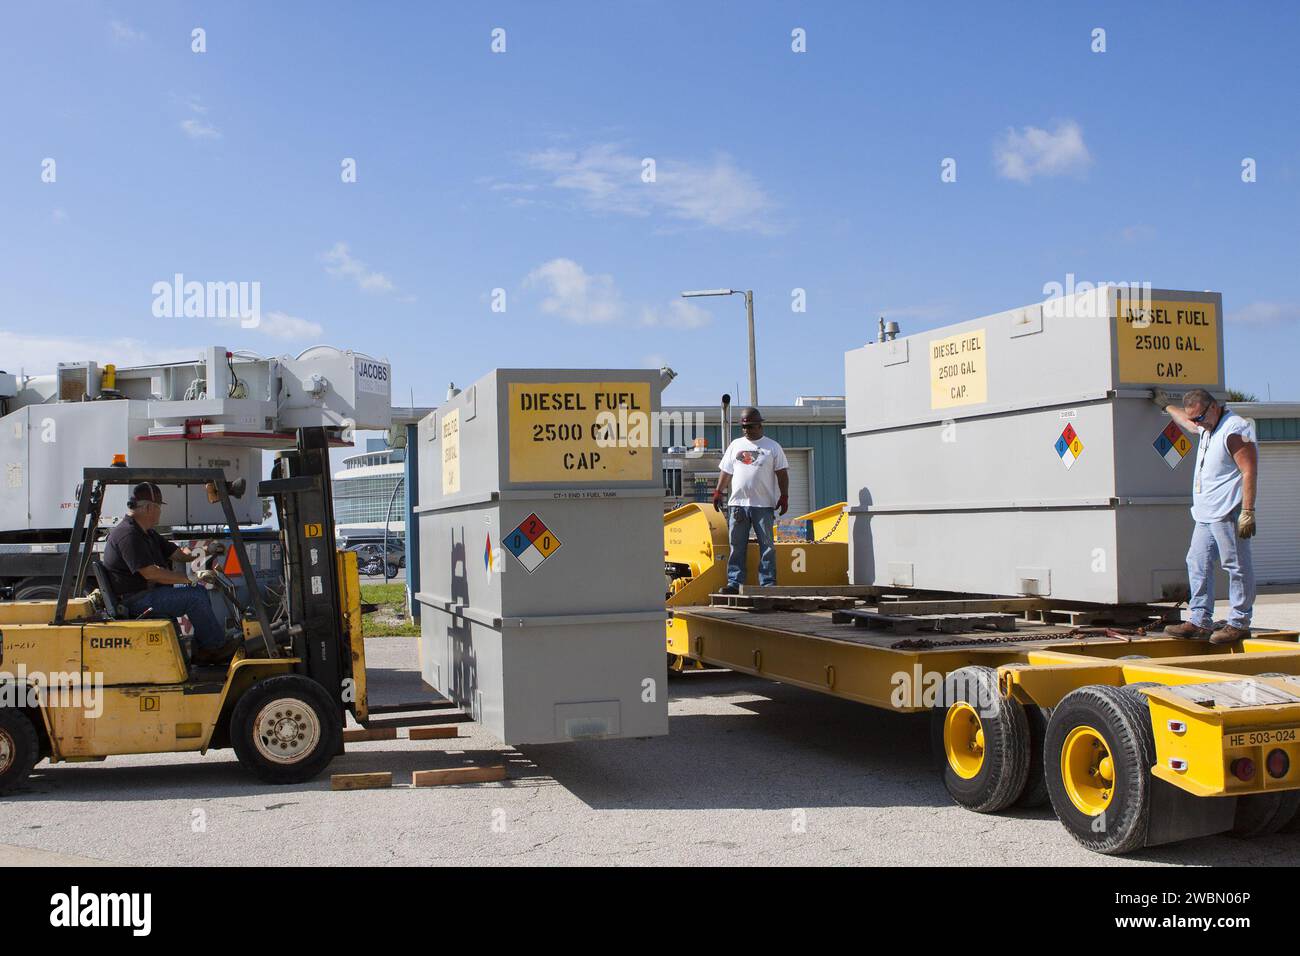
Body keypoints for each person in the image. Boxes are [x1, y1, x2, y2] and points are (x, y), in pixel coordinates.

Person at [1154, 388, 1258, 644]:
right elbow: (1187, 422)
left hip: (1227, 511)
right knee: (1197, 562)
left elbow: (1249, 471)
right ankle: (1199, 620)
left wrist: (1248, 510)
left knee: (1236, 566)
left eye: (1200, 417)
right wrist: (1166, 407)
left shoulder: (1234, 429)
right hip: (1204, 513)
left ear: (1213, 407)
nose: (1197, 423)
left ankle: (1239, 622)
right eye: (1195, 419)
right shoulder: (1206, 425)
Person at [102, 482, 239, 665]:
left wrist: (207, 549)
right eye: (158, 508)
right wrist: (191, 577)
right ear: (149, 507)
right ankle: (212, 648)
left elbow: (178, 554)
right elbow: (151, 573)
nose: (160, 512)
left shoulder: (147, 533)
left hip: (147, 594)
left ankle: (207, 646)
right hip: (136, 600)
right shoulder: (128, 535)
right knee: (195, 596)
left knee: (196, 592)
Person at [712, 408, 790, 595]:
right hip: (738, 504)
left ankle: (768, 584)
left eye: (751, 426)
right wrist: (718, 491)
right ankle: (734, 582)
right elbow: (726, 471)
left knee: (767, 546)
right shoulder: (735, 445)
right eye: (744, 427)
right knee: (737, 545)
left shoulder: (772, 447)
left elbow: (782, 473)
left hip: (763, 505)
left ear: (760, 425)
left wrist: (784, 495)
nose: (747, 430)